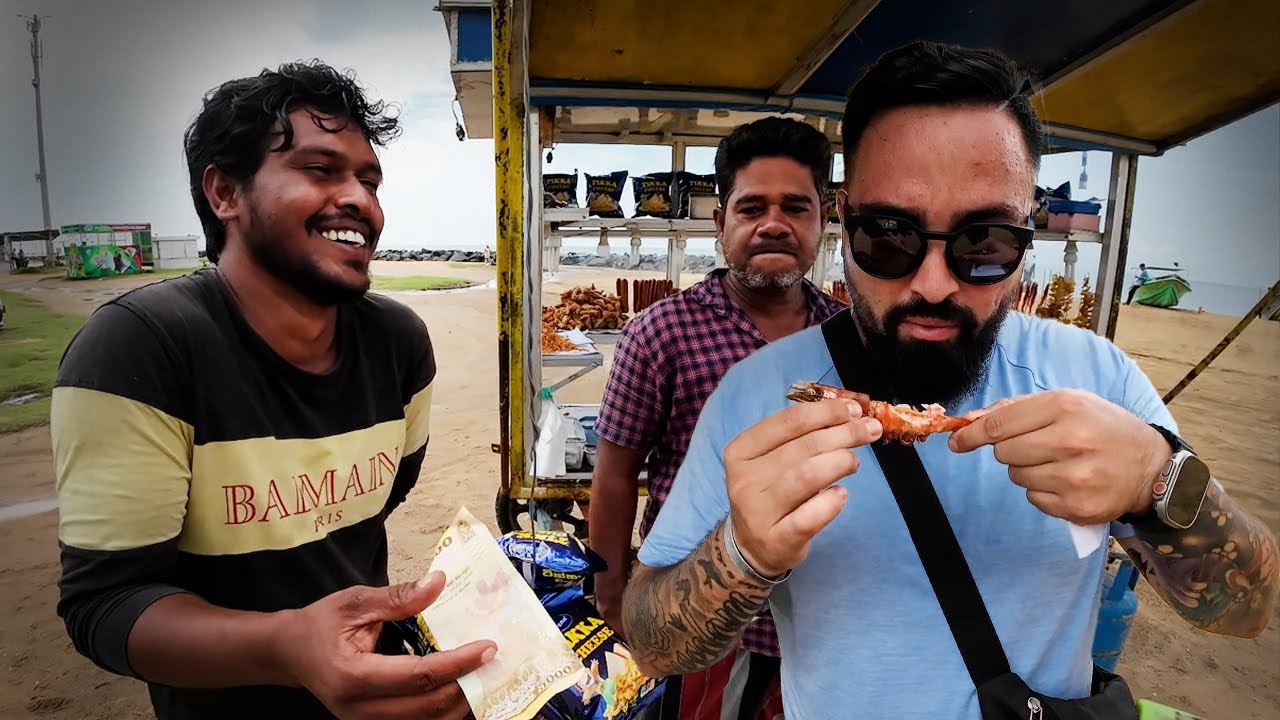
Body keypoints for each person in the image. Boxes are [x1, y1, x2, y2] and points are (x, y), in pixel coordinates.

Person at [620, 41, 1278, 718]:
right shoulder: (759, 395)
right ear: (845, 221)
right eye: (889, 235)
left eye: (984, 243)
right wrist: (743, 552)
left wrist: (1157, 481)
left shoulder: (1098, 378)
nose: (933, 284)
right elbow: (652, 644)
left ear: (1026, 234)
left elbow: (1246, 612)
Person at [51, 61, 494, 720]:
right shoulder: (140, 348)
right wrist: (288, 647)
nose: (360, 200)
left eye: (369, 179)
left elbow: (376, 504)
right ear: (225, 192)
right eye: (321, 170)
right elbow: (106, 604)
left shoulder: (399, 345)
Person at [589, 116, 847, 720]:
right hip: (704, 621)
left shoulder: (850, 335)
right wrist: (610, 588)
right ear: (720, 224)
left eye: (796, 207)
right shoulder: (659, 334)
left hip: (825, 622)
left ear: (823, 221)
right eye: (752, 206)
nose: (773, 224)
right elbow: (616, 472)